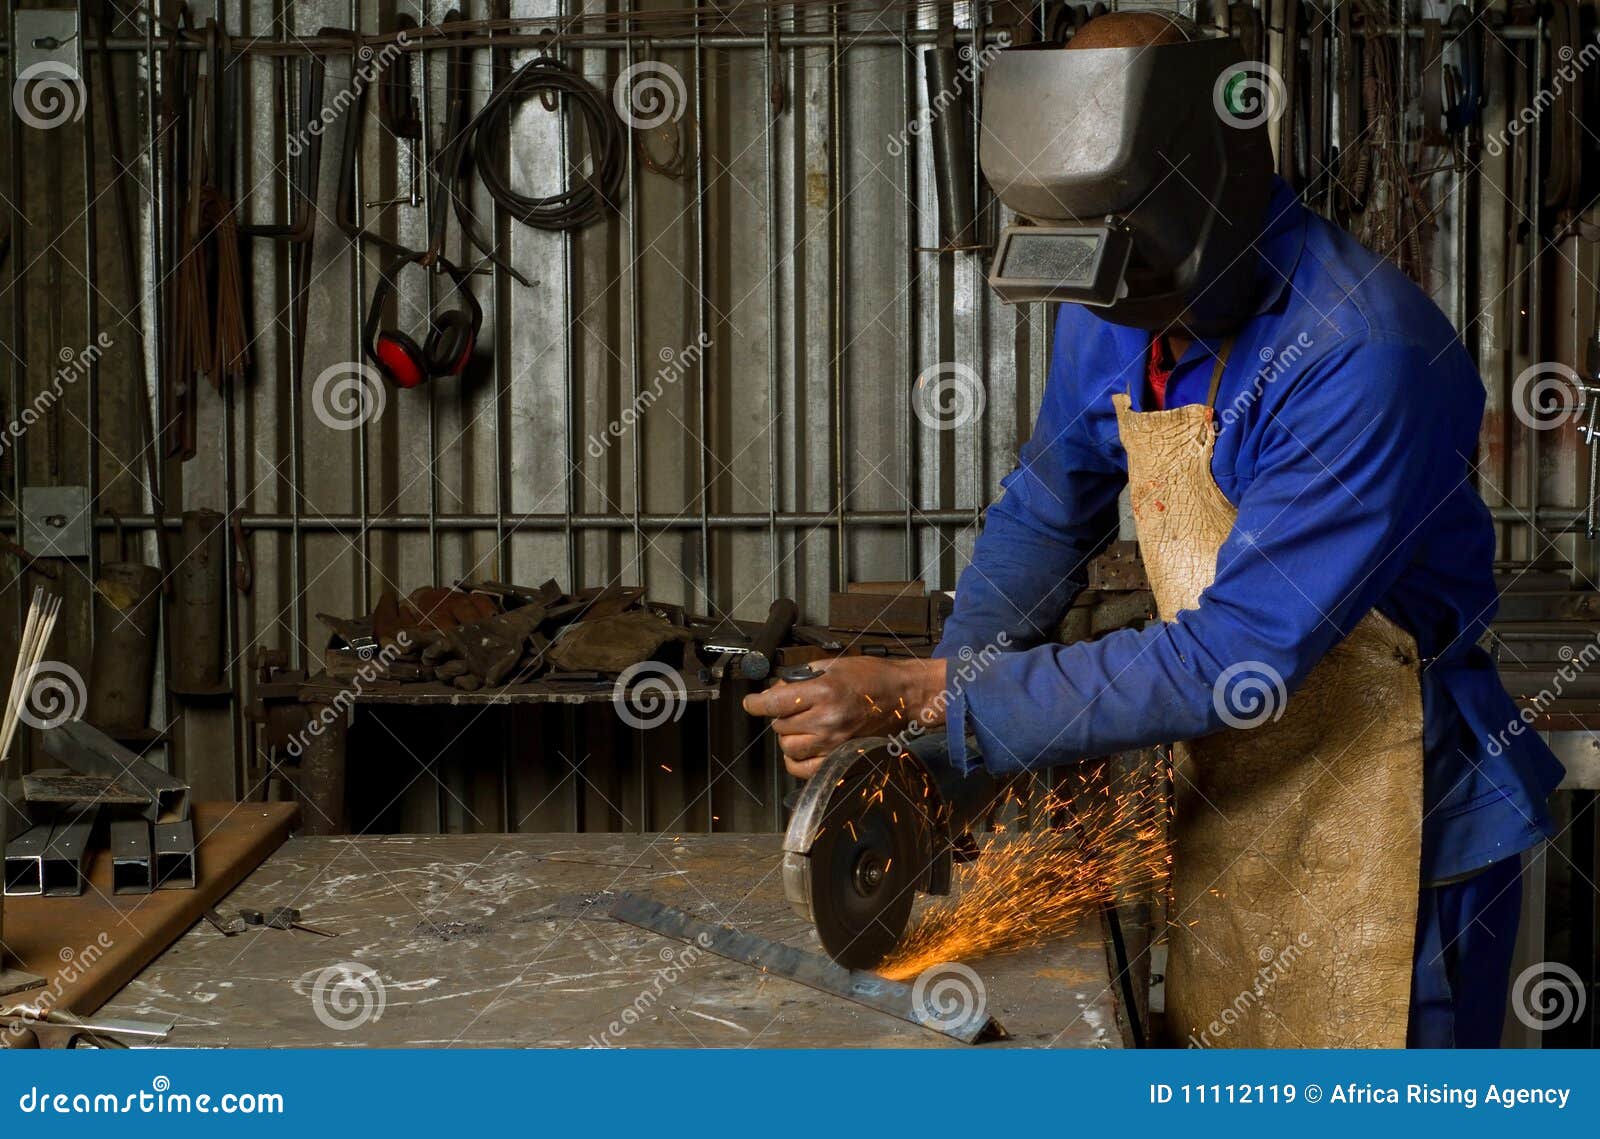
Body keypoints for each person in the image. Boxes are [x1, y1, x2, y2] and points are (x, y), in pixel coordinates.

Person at [744, 11, 1563, 1048]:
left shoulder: (1360, 353)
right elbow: (1048, 509)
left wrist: (932, 693)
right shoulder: (1116, 285)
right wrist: (942, 758)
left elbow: (1234, 659)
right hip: (1237, 799)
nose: (1113, 311)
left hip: (1404, 818)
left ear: (1207, 190)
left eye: (1131, 273)